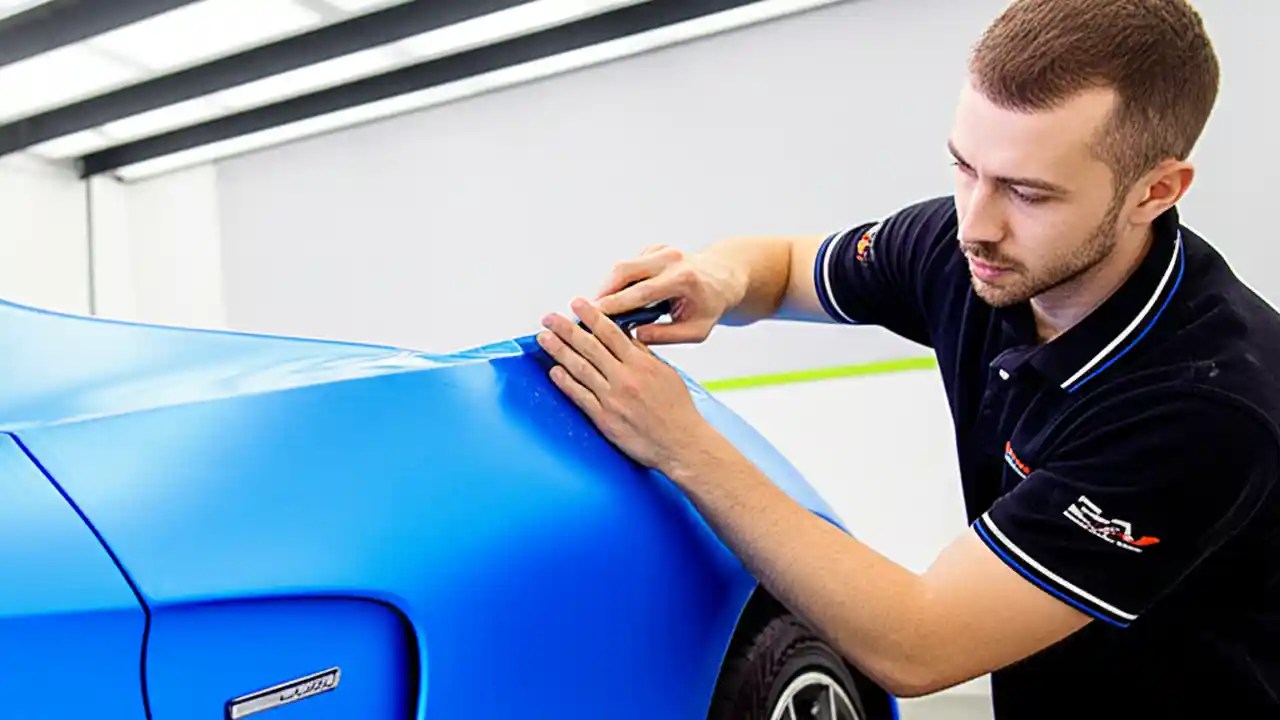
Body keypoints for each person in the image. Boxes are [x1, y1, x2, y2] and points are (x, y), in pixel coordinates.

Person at [534, 0, 1280, 715]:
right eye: (964, 166)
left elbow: (917, 644)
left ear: (1156, 191)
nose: (975, 223)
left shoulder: (1204, 408)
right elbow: (790, 267)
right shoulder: (973, 251)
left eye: (1028, 193)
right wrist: (718, 277)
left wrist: (684, 444)